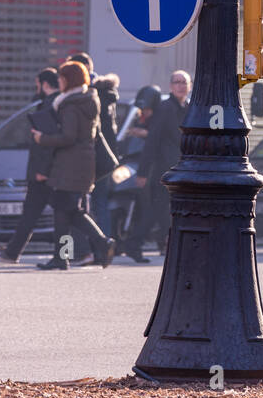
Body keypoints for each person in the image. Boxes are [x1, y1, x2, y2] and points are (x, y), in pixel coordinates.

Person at [34, 60, 116, 270]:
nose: (59, 82)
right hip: (81, 164)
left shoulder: (71, 104)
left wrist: (42, 138)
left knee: (71, 212)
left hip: (70, 165)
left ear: (68, 80)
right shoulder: (87, 100)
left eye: (62, 78)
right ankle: (62, 257)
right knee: (65, 212)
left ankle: (101, 242)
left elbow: (68, 136)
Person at [0, 68, 58, 263]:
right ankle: (12, 251)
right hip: (45, 171)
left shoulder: (49, 105)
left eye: (37, 85)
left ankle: (97, 245)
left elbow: (45, 143)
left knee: (69, 214)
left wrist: (41, 171)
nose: (36, 90)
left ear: (44, 84)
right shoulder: (49, 103)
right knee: (32, 213)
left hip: (45, 172)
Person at [130, 70, 191, 257]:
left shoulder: (190, 108)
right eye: (177, 82)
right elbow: (153, 141)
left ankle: (164, 244)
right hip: (164, 170)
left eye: (184, 82)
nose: (180, 86)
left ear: (189, 86)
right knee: (156, 209)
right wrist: (142, 172)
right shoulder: (165, 108)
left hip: (183, 169)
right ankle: (133, 245)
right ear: (171, 86)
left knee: (168, 210)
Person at [65, 53, 119, 240]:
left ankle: (88, 249)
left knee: (76, 206)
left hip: (86, 156)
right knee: (98, 202)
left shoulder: (87, 95)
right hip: (103, 155)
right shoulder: (106, 93)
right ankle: (104, 246)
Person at [120, 84, 162, 264]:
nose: (143, 112)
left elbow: (157, 140)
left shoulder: (159, 117)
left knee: (153, 210)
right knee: (148, 210)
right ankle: (132, 244)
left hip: (155, 168)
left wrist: (145, 133)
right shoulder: (140, 118)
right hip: (145, 168)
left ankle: (135, 244)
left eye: (147, 108)